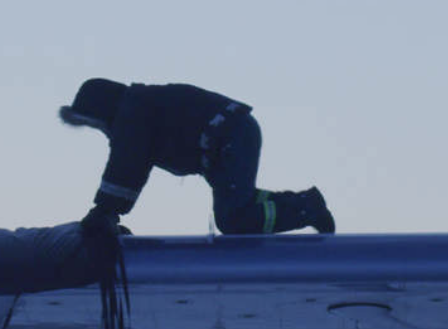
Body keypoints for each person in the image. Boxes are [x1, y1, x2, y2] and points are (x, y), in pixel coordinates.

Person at [59, 78, 335, 238]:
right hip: (228, 139)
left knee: (233, 220)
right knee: (241, 205)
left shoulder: (133, 114)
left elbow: (127, 166)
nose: (100, 131)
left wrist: (105, 211)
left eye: (94, 124)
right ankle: (301, 204)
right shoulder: (138, 108)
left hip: (229, 138)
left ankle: (306, 208)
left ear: (102, 111)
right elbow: (130, 165)